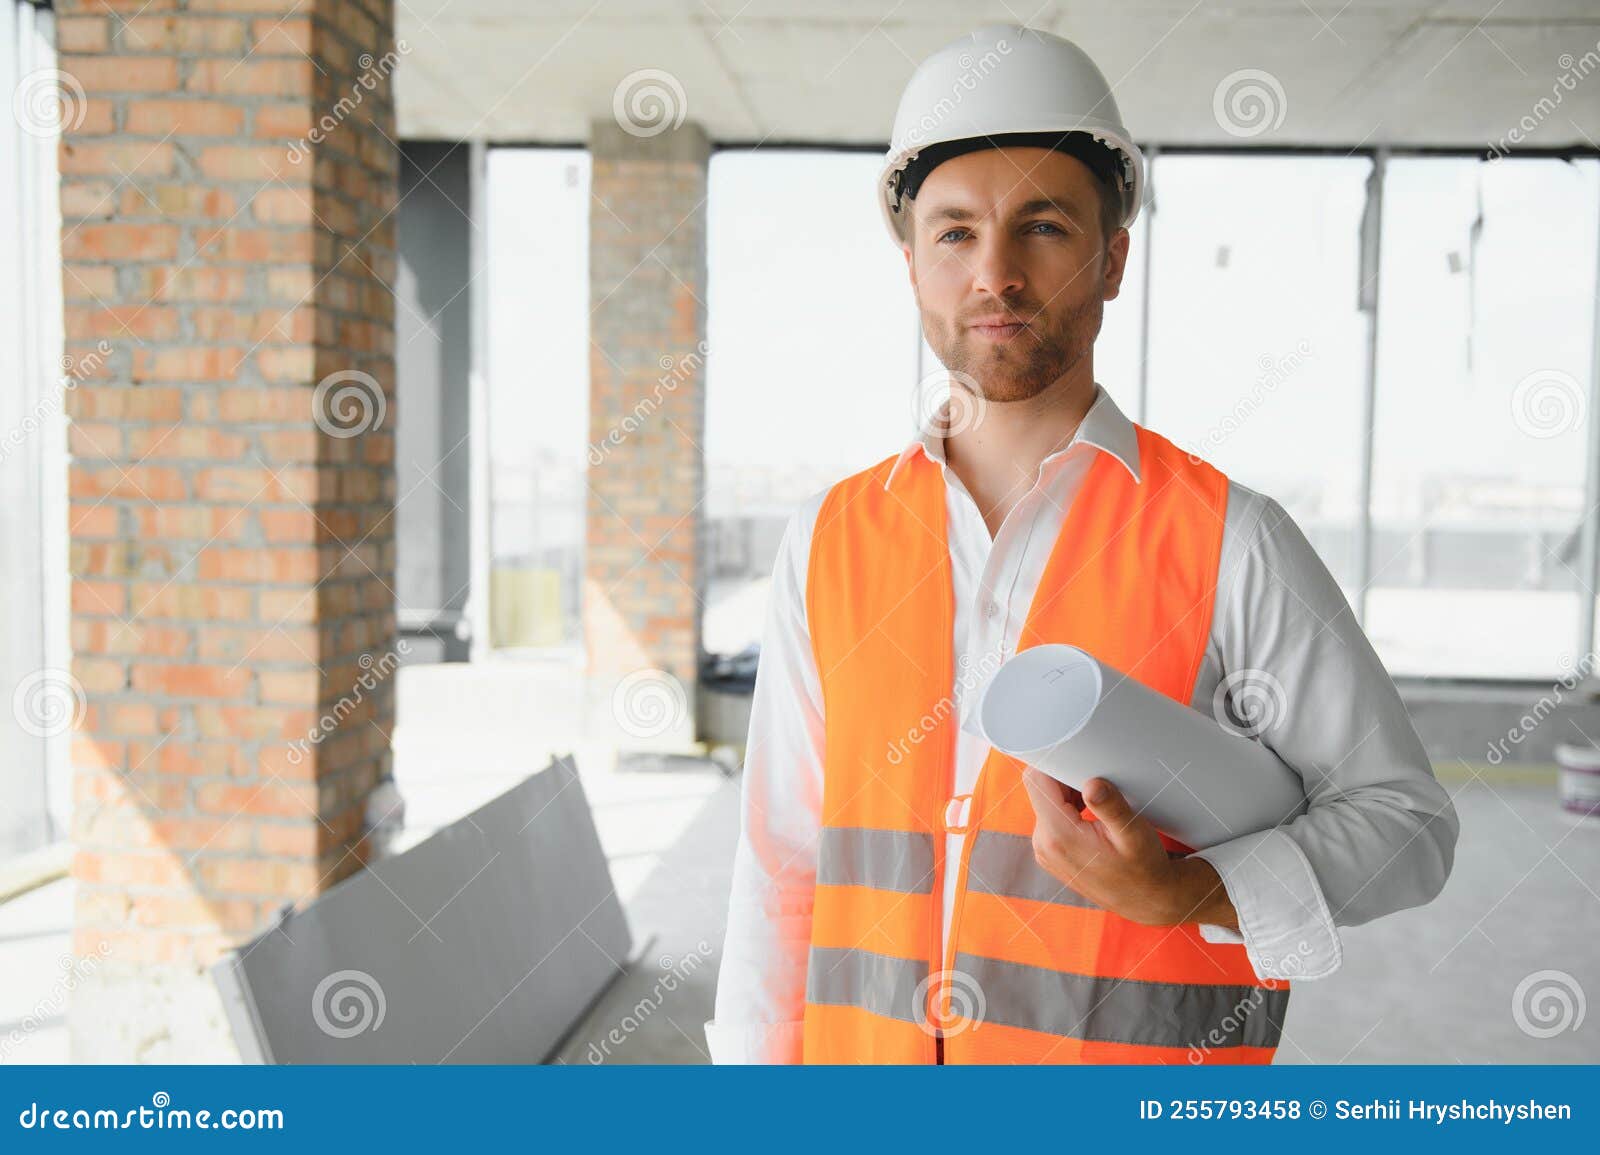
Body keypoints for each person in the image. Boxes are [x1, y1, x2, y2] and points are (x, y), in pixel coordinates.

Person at [705, 23, 1458, 1065]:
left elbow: (1406, 827)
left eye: (1044, 228)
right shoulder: (828, 539)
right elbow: (780, 866)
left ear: (1112, 261)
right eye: (955, 233)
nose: (995, 274)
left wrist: (1194, 890)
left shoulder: (1228, 536)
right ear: (913, 264)